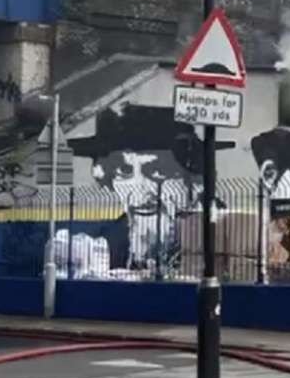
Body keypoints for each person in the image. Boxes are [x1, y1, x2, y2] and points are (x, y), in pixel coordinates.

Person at [63, 105, 230, 277]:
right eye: (124, 171)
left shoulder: (218, 238)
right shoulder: (105, 245)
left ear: (196, 182)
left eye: (158, 171)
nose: (140, 194)